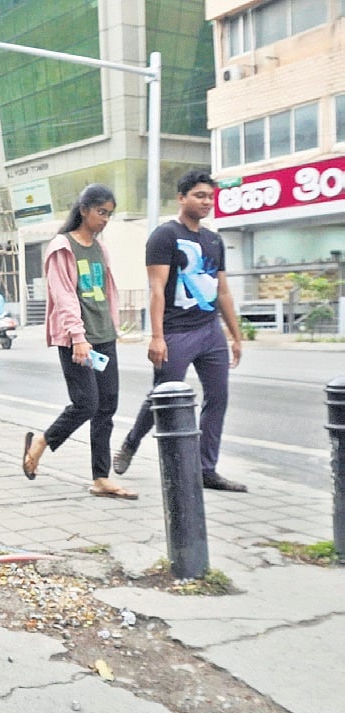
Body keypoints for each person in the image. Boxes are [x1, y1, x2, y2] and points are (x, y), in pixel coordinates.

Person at [112, 169, 247, 492]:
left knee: (218, 397)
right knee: (164, 396)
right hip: (176, 332)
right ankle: (131, 442)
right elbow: (156, 289)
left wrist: (235, 336)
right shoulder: (165, 236)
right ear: (181, 198)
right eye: (199, 196)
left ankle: (205, 468)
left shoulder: (213, 240)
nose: (206, 202)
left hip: (210, 330)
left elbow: (223, 291)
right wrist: (156, 336)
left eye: (210, 197)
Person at [21, 184, 136, 499]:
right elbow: (64, 296)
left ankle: (101, 478)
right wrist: (78, 337)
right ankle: (42, 441)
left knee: (107, 405)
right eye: (101, 212)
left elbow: (105, 293)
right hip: (78, 340)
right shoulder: (62, 247)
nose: (105, 220)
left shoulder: (100, 248)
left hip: (103, 337)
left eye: (109, 214)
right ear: (84, 210)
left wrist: (112, 328)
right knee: (87, 402)